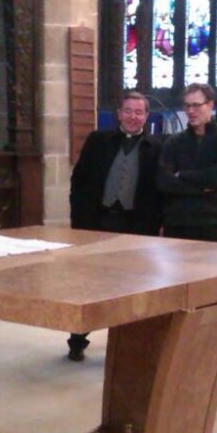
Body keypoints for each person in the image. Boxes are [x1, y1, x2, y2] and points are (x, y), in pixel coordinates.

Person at [67, 90, 163, 360]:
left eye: (139, 112)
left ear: (146, 116)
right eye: (128, 111)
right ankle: (77, 338)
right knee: (89, 284)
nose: (133, 117)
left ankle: (126, 343)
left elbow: (158, 192)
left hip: (136, 226)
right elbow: (79, 181)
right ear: (119, 114)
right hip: (98, 222)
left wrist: (155, 226)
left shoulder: (156, 148)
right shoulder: (98, 141)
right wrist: (79, 220)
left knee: (131, 286)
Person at [156, 82, 217, 377]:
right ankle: (177, 349)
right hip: (178, 222)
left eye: (197, 105)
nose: (191, 111)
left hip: (209, 222)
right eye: (187, 106)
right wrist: (201, 185)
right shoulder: (174, 143)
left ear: (211, 106)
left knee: (216, 289)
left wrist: (182, 176)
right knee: (177, 288)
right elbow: (163, 182)